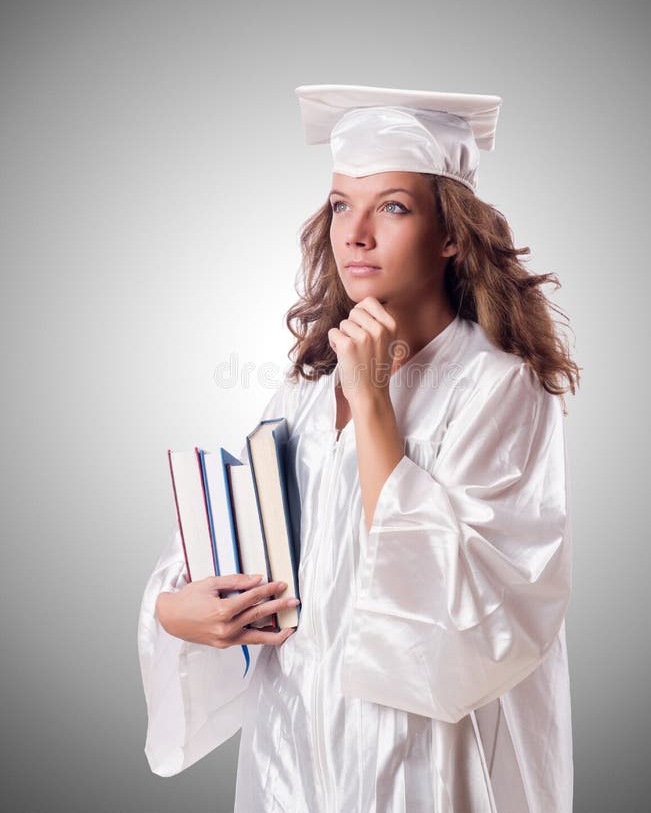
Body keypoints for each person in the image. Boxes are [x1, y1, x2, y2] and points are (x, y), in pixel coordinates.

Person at [137, 83, 581, 812]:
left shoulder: (499, 388)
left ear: (450, 234)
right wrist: (174, 612)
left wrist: (374, 403)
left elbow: (475, 617)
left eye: (393, 207)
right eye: (343, 205)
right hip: (290, 760)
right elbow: (228, 543)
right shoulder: (305, 389)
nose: (356, 234)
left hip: (423, 767)